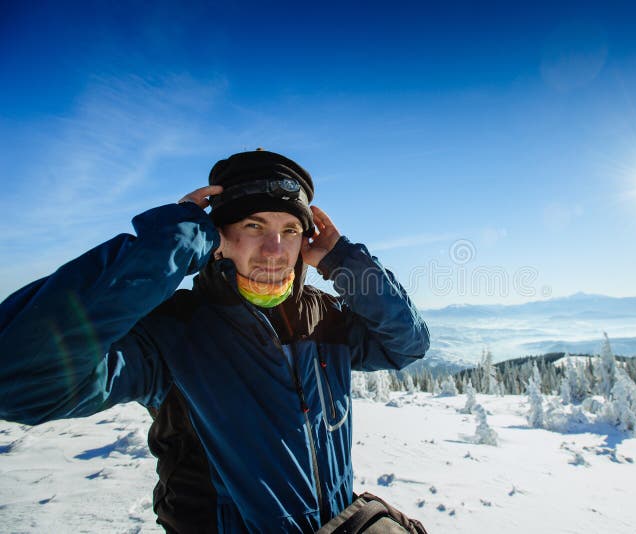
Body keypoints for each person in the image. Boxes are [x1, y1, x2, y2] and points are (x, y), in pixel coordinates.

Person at [0, 149, 430, 533]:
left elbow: (406, 343)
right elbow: (18, 379)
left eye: (291, 230)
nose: (274, 248)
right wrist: (177, 239)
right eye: (253, 224)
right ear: (219, 239)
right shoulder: (175, 332)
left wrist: (344, 261)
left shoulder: (324, 319)